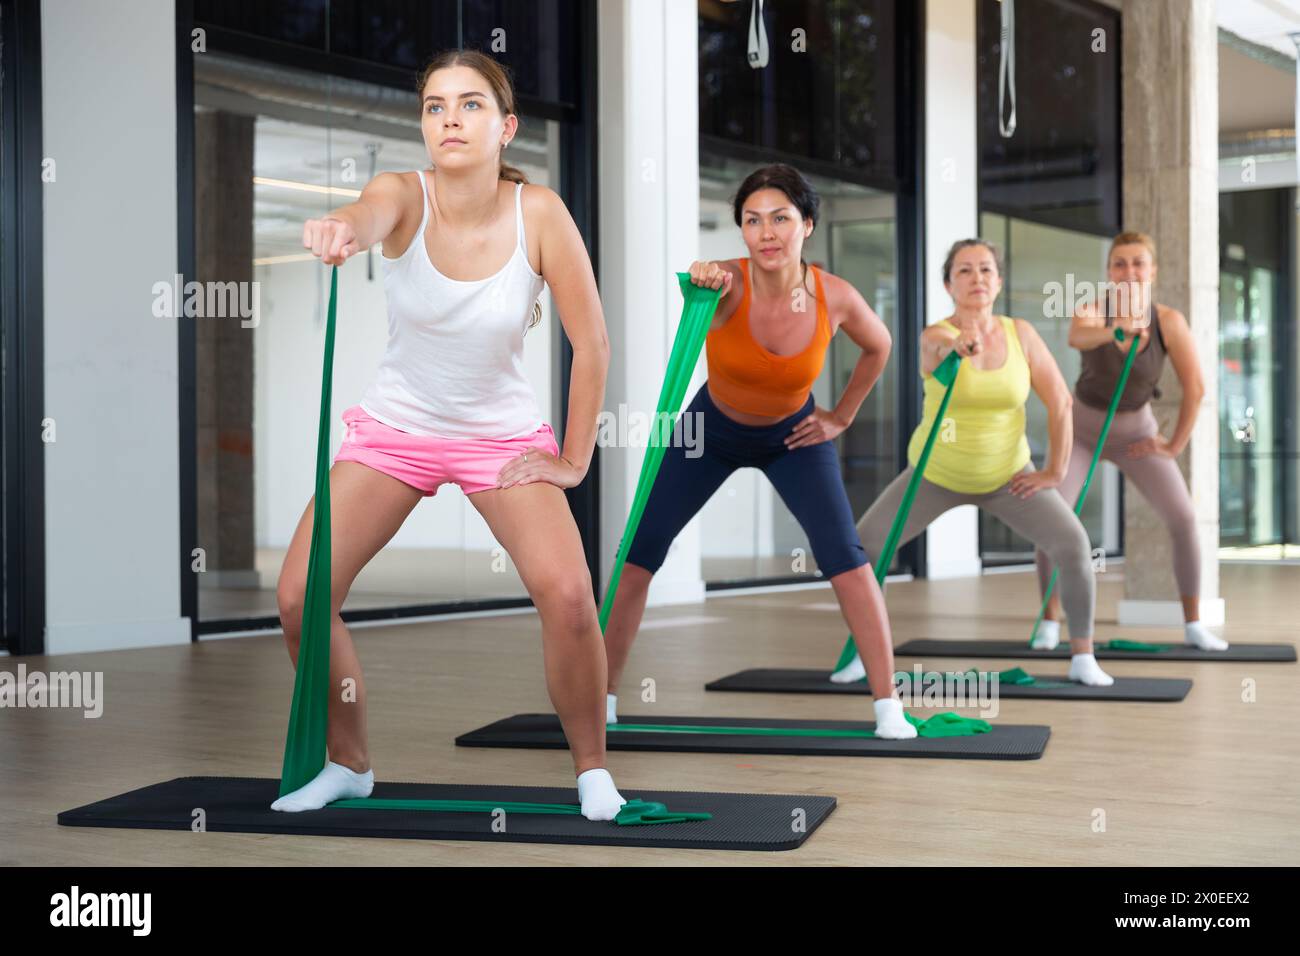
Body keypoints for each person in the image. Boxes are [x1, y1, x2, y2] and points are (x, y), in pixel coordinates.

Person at [274, 50, 626, 819]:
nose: (449, 120)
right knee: (301, 595)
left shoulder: (540, 212)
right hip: (396, 430)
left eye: (469, 105)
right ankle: (349, 762)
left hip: (499, 437)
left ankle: (593, 770)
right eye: (435, 106)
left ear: (506, 127)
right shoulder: (403, 193)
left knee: (568, 596)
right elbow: (367, 215)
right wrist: (341, 226)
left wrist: (572, 460)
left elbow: (591, 342)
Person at [601, 163, 918, 738]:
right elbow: (697, 296)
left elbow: (880, 346)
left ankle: (887, 705)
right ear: (741, 231)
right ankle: (600, 697)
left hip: (792, 437)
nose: (766, 232)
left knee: (845, 557)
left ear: (808, 225)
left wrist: (840, 416)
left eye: (780, 218)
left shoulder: (835, 297)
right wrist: (699, 281)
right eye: (752, 221)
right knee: (640, 549)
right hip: (711, 430)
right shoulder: (723, 280)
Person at [833, 239, 1115, 686]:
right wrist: (960, 348)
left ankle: (1083, 656)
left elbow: (1060, 401)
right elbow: (939, 354)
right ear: (948, 284)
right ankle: (860, 653)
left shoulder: (1021, 333)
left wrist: (1055, 471)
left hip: (1009, 476)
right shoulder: (936, 335)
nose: (977, 278)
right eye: (964, 271)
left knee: (1074, 546)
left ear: (998, 282)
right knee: (864, 548)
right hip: (935, 475)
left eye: (985, 269)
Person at [1034, 231, 1224, 650]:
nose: (1129, 271)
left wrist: (1173, 445)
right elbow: (1076, 337)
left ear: (1152, 271)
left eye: (1138, 263)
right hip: (1081, 432)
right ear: (1109, 271)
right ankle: (1050, 619)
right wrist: (1116, 330)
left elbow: (1195, 389)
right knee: (1052, 520)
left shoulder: (1169, 321)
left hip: (1136, 434)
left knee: (1185, 519)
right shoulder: (1091, 310)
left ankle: (1193, 623)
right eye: (1120, 263)